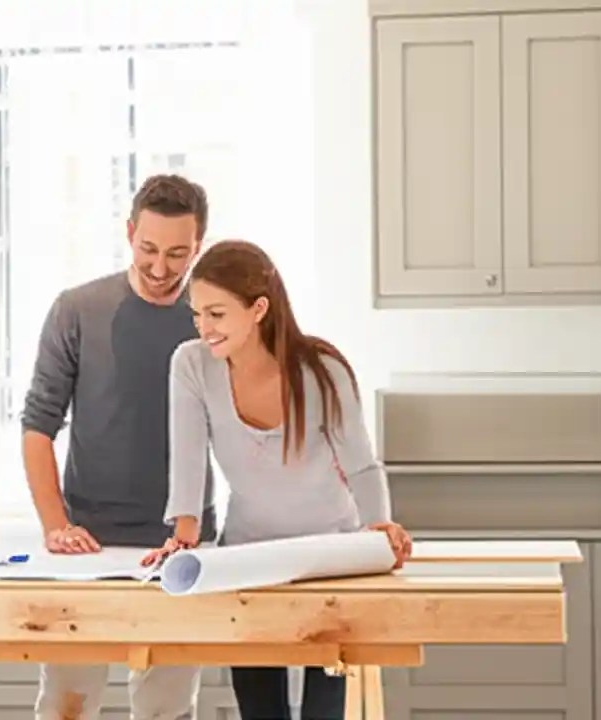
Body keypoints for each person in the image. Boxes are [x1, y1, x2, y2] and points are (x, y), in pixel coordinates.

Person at [143, 239, 411, 720]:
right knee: (261, 711)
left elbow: (362, 467)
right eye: (197, 315)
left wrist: (380, 528)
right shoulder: (191, 365)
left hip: (332, 555)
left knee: (324, 712)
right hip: (248, 556)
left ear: (259, 309)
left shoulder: (323, 371)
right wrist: (183, 536)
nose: (205, 328)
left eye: (218, 314)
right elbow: (187, 459)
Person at [20, 174, 218, 719]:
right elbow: (38, 424)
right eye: (148, 249)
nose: (160, 268)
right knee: (67, 706)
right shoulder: (77, 310)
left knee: (168, 710)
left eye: (178, 254)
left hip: (184, 547)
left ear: (199, 246)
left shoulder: (213, 321)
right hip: (91, 545)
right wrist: (55, 525)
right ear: (130, 232)